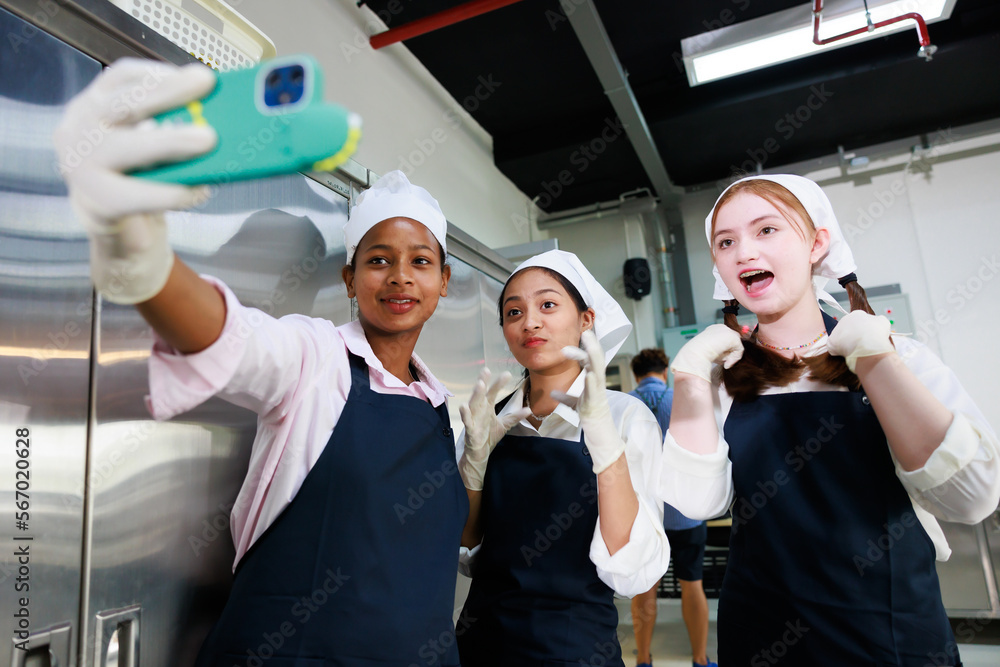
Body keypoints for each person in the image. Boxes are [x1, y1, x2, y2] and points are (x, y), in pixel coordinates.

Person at [54, 59, 467, 667]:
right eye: (379, 260)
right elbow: (231, 336)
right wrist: (139, 257)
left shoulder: (441, 408)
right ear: (350, 279)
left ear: (444, 282)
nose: (400, 276)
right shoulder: (313, 359)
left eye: (420, 261)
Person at [658, 174, 1000, 665]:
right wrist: (692, 382)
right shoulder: (721, 378)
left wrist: (878, 364)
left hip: (890, 633)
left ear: (817, 242)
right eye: (725, 242)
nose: (743, 253)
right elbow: (694, 503)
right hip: (761, 632)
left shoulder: (901, 357)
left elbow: (972, 498)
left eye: (767, 230)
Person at [455, 249, 671, 666]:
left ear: (586, 319)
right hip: (478, 642)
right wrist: (474, 466)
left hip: (575, 646)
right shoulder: (488, 421)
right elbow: (468, 550)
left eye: (548, 305)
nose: (529, 322)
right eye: (513, 312)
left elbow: (632, 569)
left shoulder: (625, 417)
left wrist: (605, 445)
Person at [628, 349, 716, 667]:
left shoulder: (625, 403)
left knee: (645, 587)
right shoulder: (679, 400)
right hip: (685, 512)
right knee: (692, 583)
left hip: (643, 517)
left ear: (636, 374)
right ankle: (700, 659)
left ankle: (643, 660)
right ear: (664, 370)